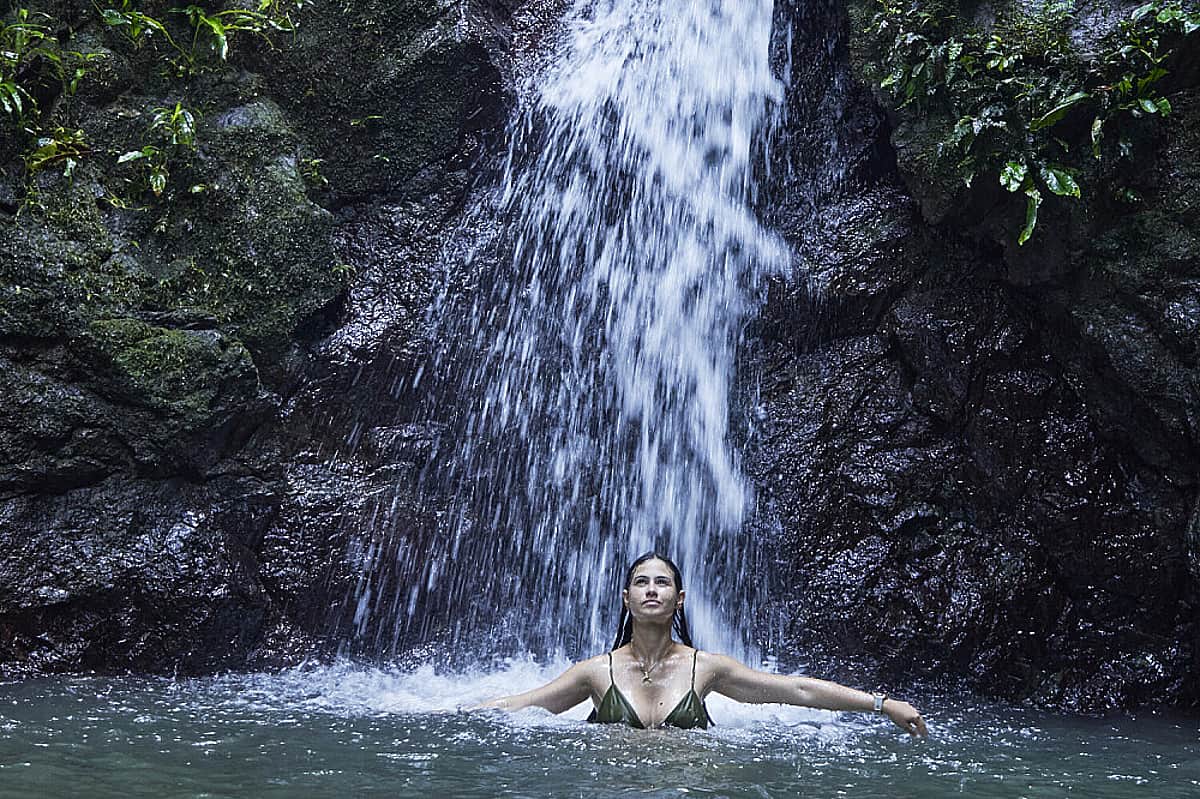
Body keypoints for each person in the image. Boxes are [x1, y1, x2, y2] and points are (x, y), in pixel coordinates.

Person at [478, 552, 929, 734]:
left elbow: (796, 690)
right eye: (641, 582)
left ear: (680, 599)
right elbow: (524, 705)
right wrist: (453, 713)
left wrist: (882, 704)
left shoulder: (707, 668)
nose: (651, 589)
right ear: (626, 597)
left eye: (662, 583)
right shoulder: (595, 672)